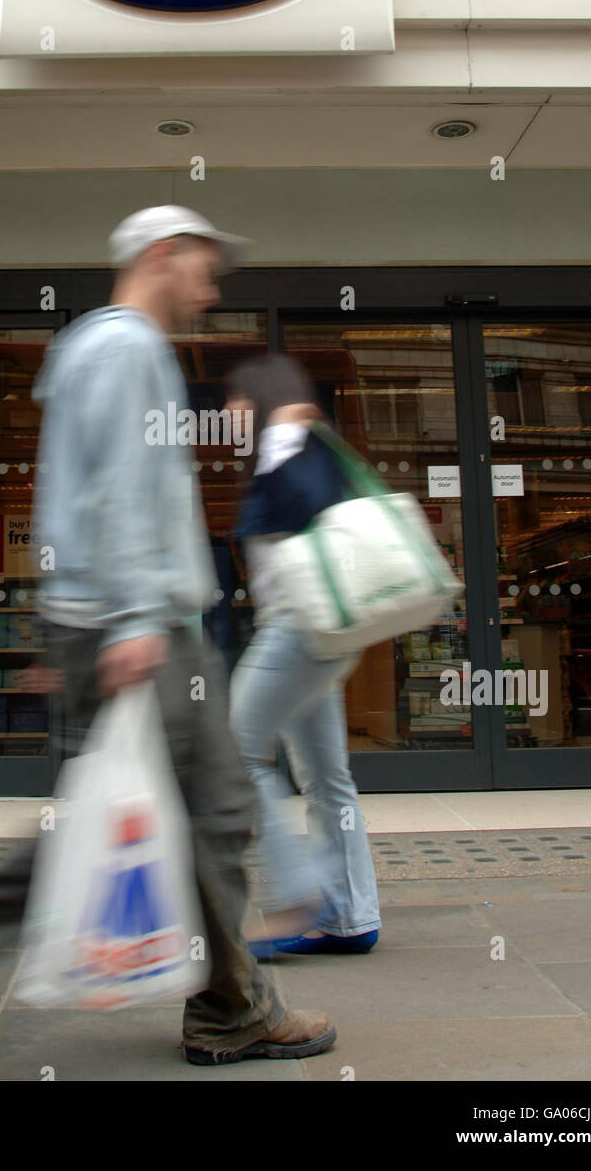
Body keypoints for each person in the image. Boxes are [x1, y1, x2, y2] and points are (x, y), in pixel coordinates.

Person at [0, 206, 335, 1069]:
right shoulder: (127, 349)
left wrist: (81, 626)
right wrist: (127, 622)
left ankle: (228, 1008)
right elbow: (118, 492)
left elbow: (79, 497)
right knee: (183, 816)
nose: (211, 283)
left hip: (117, 622)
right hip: (142, 627)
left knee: (186, 817)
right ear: (161, 255)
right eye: (203, 262)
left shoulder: (91, 346)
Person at [225, 354, 381, 958]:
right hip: (322, 635)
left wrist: (288, 428)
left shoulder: (287, 443)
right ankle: (350, 917)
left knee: (235, 753)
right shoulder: (306, 445)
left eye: (236, 400)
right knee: (326, 777)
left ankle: (297, 897)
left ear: (261, 400)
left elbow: (309, 510)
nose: (230, 412)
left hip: (294, 629)